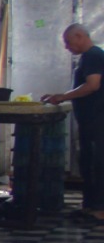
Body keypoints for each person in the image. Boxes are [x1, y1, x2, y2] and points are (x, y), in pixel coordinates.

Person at [41, 23, 104, 222]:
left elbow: (93, 85)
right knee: (88, 163)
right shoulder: (88, 57)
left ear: (79, 36)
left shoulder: (93, 55)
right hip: (90, 121)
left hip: (98, 121)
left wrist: (62, 97)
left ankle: (100, 209)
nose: (67, 47)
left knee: (97, 164)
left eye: (68, 42)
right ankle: (91, 205)